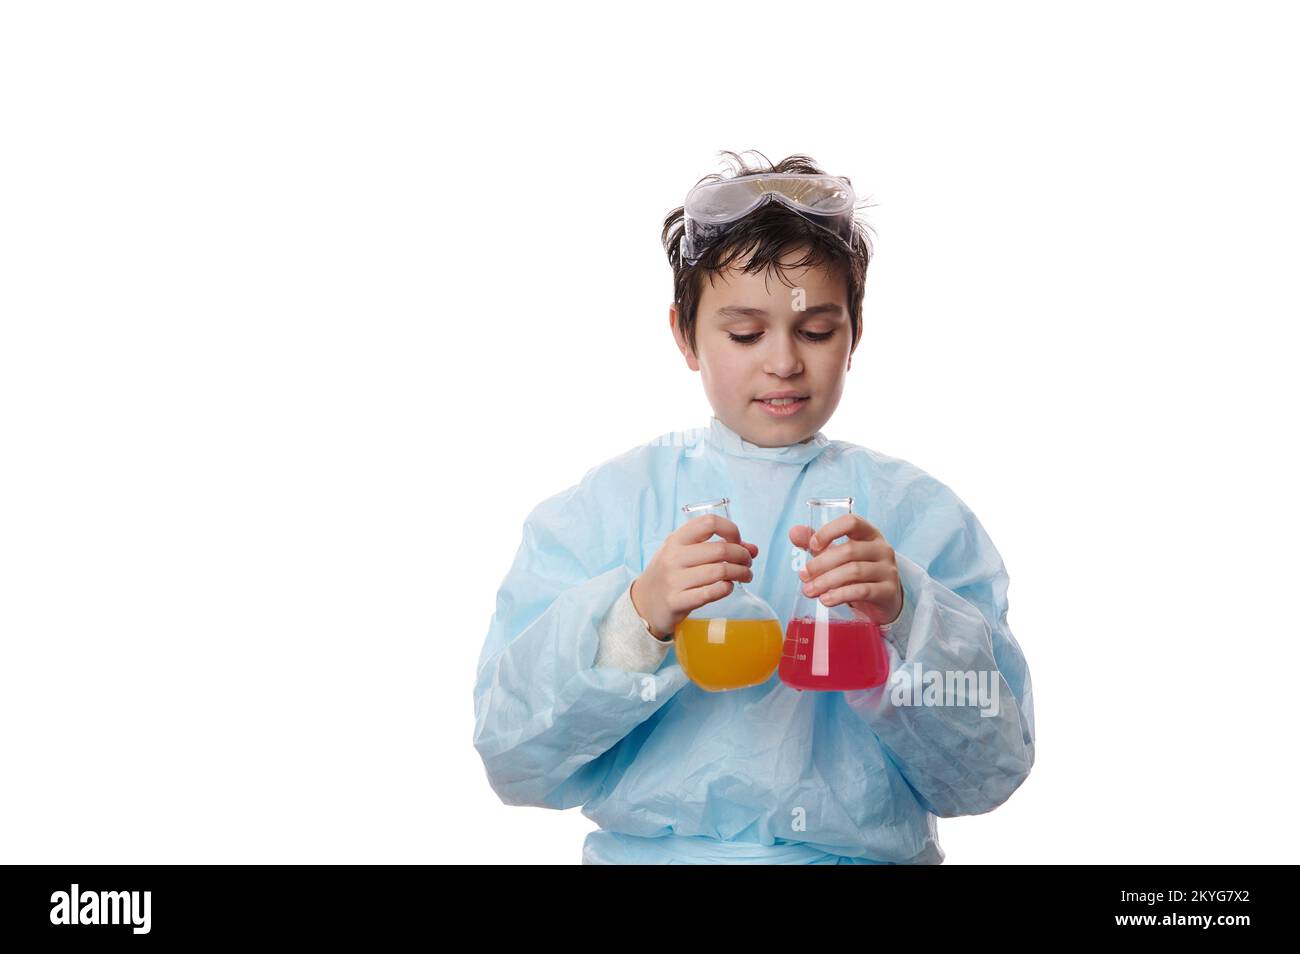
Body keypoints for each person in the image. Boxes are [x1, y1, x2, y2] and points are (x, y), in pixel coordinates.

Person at [472, 150, 1035, 864]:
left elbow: (987, 775)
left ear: (855, 333)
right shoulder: (607, 510)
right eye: (744, 334)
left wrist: (909, 614)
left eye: (817, 330)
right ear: (685, 335)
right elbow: (515, 759)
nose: (783, 362)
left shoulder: (921, 516)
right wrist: (636, 618)